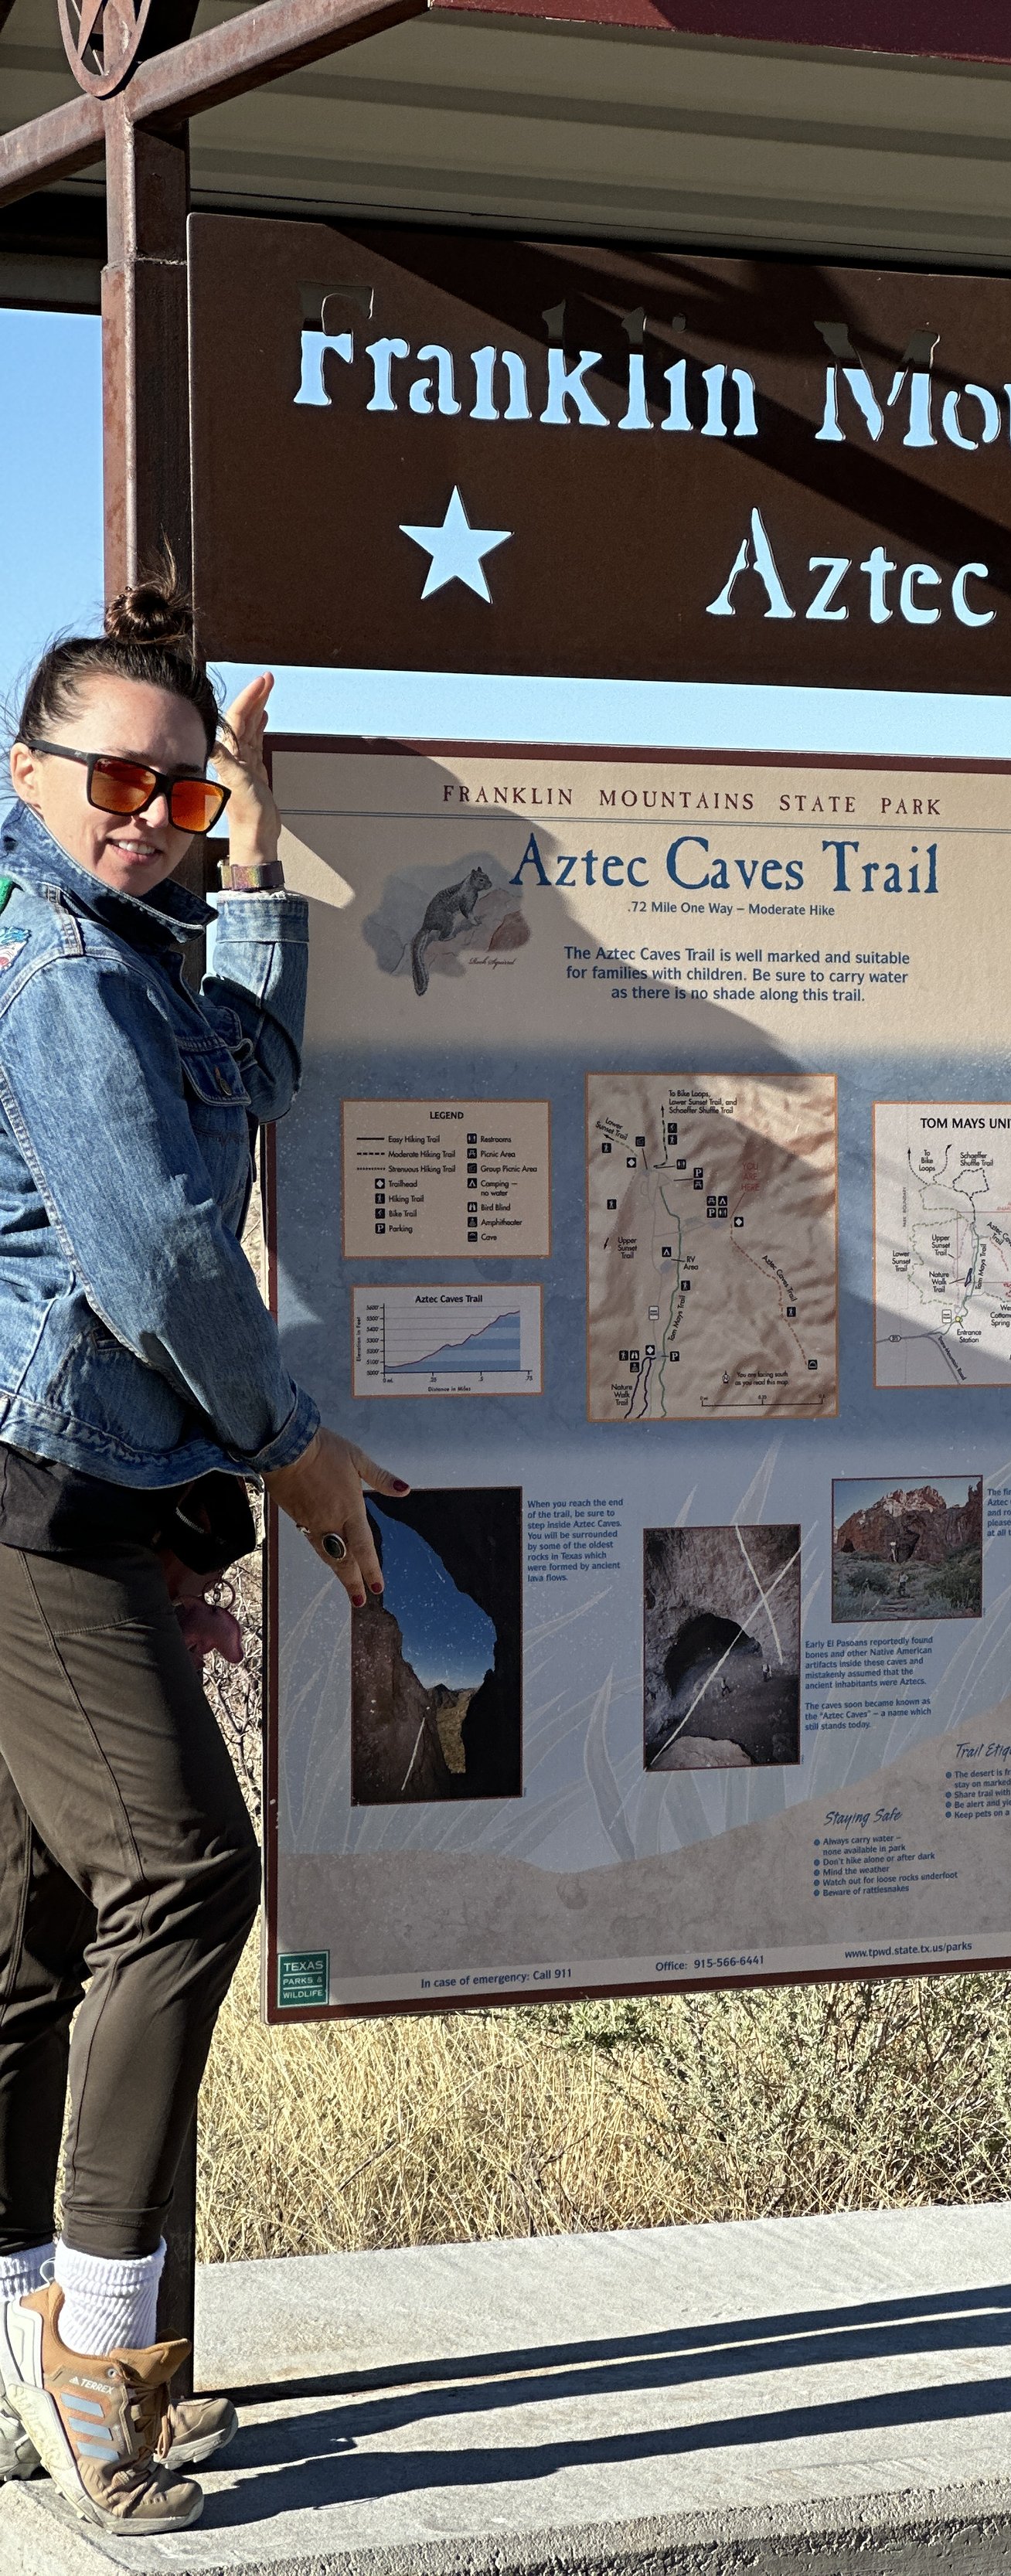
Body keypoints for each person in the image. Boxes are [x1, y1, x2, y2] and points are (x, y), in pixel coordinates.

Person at [0, 578, 403, 2536]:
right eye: (114, 776)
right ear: (29, 768)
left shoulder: (137, 942)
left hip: (66, 1480)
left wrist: (248, 852)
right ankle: (101, 2345)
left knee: (37, 1928)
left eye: (176, 781)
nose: (146, 806)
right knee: (184, 1870)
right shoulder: (58, 971)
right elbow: (162, 1258)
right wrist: (289, 1454)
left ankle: (17, 2329)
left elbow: (246, 1062)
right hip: (32, 1491)